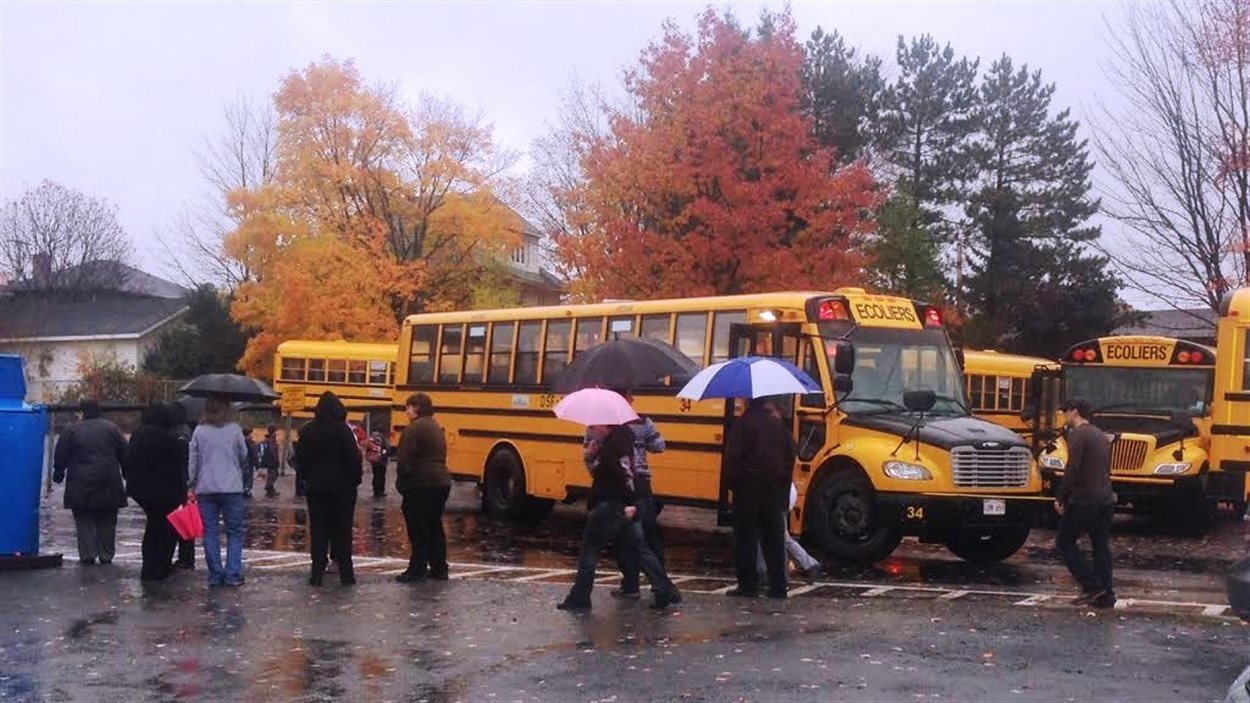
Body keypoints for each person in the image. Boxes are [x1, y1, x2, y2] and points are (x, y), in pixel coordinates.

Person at [559, 422, 681, 612]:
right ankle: (664, 590)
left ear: (606, 426)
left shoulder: (611, 449)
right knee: (640, 548)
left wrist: (591, 455)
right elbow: (629, 472)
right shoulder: (625, 438)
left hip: (610, 505)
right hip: (627, 502)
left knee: (590, 551)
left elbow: (607, 474)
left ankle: (580, 597)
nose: (592, 430)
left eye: (595, 426)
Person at [582, 388, 666, 599]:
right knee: (647, 538)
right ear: (623, 400)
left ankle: (631, 585)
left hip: (614, 490)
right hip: (640, 485)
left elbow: (591, 463)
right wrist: (642, 444)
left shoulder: (595, 428)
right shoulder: (642, 422)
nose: (633, 398)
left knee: (622, 542)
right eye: (629, 395)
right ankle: (662, 586)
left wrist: (598, 471)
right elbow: (659, 446)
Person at [724, 396, 795, 599]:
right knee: (773, 540)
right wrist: (783, 487)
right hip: (773, 490)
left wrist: (732, 485)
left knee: (746, 540)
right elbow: (790, 455)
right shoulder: (778, 426)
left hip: (747, 490)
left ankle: (748, 586)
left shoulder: (743, 425)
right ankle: (778, 586)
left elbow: (733, 458)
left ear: (748, 402)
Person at [1054, 398, 1116, 609]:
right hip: (1106, 498)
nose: (1063, 416)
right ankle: (1106, 594)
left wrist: (1061, 495)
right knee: (1100, 545)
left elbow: (1073, 469)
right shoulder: (1099, 434)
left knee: (1065, 541)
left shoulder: (1078, 435)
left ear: (1075, 412)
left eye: (1065, 412)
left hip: (1084, 498)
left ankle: (1090, 586)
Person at [295, 392, 362, 586]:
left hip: (317, 488)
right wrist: (354, 481)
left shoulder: (308, 431)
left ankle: (316, 573)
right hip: (343, 489)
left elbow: (301, 461)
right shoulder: (343, 431)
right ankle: (346, 574)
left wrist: (307, 480)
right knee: (343, 531)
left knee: (318, 531)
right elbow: (353, 459)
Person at [52, 399, 128, 566]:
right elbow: (124, 452)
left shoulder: (71, 430)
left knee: (83, 519)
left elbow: (61, 454)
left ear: (82, 412)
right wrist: (126, 471)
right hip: (108, 480)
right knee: (107, 519)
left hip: (80, 481)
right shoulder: (111, 428)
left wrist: (58, 472)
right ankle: (106, 554)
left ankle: (87, 554)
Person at [188, 396, 251, 587]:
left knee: (210, 531)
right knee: (235, 531)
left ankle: (215, 574)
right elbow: (244, 455)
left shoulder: (199, 431)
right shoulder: (234, 429)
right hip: (231, 487)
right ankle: (232, 574)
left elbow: (193, 461)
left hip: (206, 487)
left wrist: (191, 482)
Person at [124, 402, 188, 581]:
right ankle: (161, 566)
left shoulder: (139, 434)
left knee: (152, 526)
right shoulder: (169, 437)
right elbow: (180, 459)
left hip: (142, 490)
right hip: (166, 491)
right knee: (165, 531)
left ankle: (149, 567)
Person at [394, 393, 452, 583]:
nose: (406, 411)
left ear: (417, 407)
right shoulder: (435, 426)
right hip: (441, 482)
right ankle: (439, 568)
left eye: (408, 407)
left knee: (418, 528)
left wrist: (401, 483)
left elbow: (405, 461)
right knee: (434, 526)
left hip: (420, 484)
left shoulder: (413, 429)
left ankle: (416, 569)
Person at [756, 483, 822, 581]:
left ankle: (763, 572)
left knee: (764, 536)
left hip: (774, 501)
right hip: (781, 499)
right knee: (782, 538)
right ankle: (809, 564)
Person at [168, 402, 196, 570]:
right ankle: (186, 556)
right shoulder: (189, 431)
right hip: (185, 481)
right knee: (185, 521)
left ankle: (184, 557)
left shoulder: (177, 433)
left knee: (178, 521)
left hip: (178, 482)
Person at [259, 425, 281, 498]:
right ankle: (269, 489)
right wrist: (276, 460)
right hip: (272, 461)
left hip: (270, 461)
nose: (276, 433)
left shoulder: (270, 439)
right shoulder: (271, 440)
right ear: (273, 432)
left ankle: (270, 488)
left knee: (274, 474)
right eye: (275, 431)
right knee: (273, 475)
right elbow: (272, 451)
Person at [368, 431, 389, 499]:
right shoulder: (383, 437)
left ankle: (376, 491)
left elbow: (368, 447)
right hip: (382, 460)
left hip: (375, 460)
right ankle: (380, 491)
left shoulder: (372, 437)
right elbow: (386, 448)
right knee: (381, 476)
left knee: (376, 476)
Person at [241, 425, 258, 498]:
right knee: (248, 477)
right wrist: (257, 463)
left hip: (242, 463)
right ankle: (246, 490)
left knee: (243, 476)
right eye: (251, 433)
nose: (252, 435)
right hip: (249, 463)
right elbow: (254, 453)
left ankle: (243, 489)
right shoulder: (250, 442)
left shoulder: (240, 442)